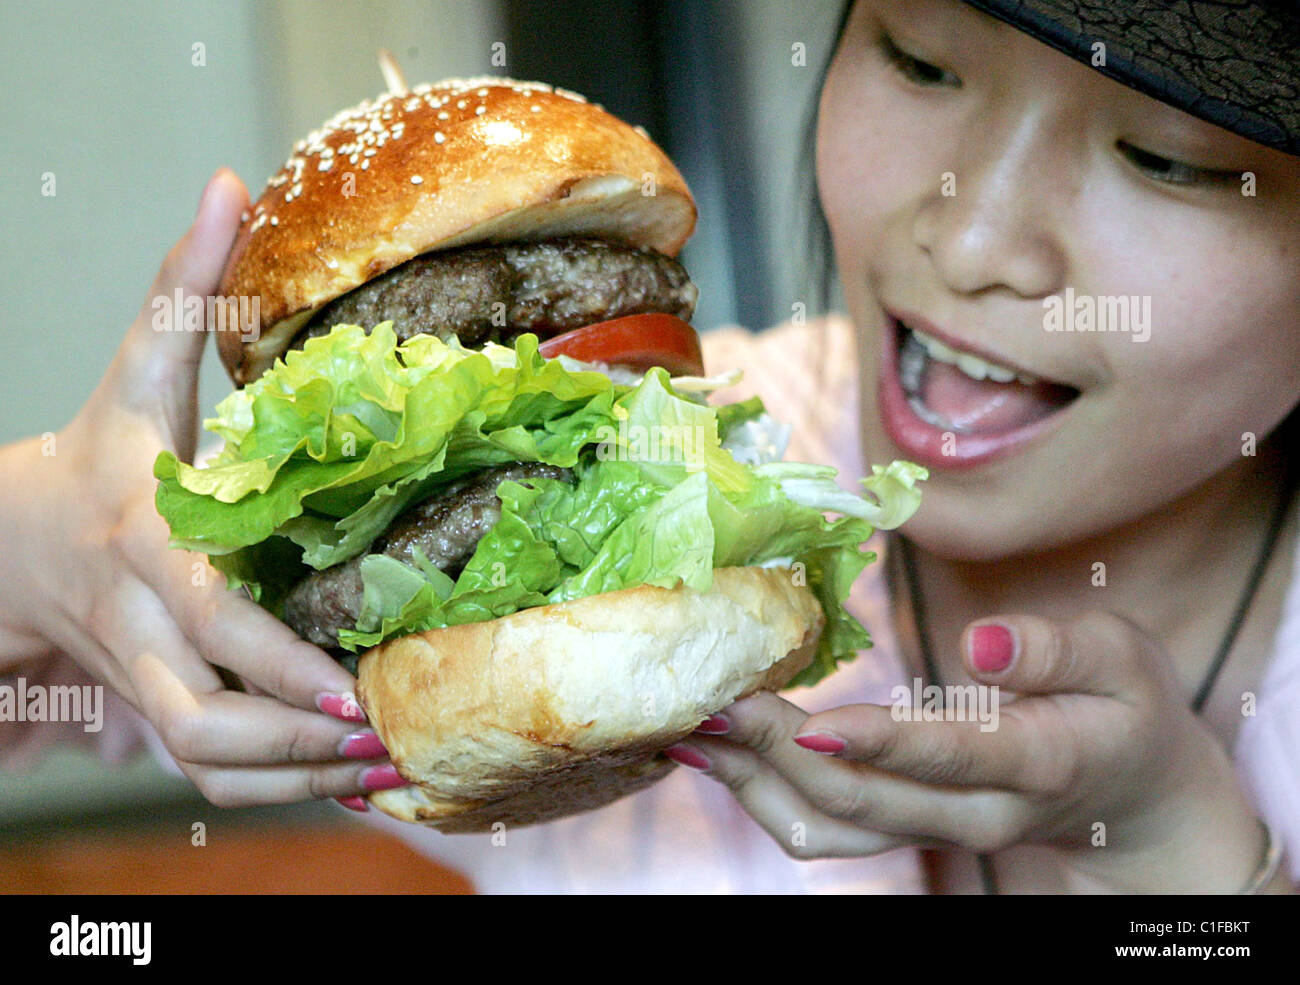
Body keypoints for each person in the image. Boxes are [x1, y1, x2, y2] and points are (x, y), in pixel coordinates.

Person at [2, 0, 1296, 893]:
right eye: (919, 59)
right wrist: (35, 538)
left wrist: (1192, 866)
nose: (969, 242)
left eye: (1164, 157)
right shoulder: (712, 427)